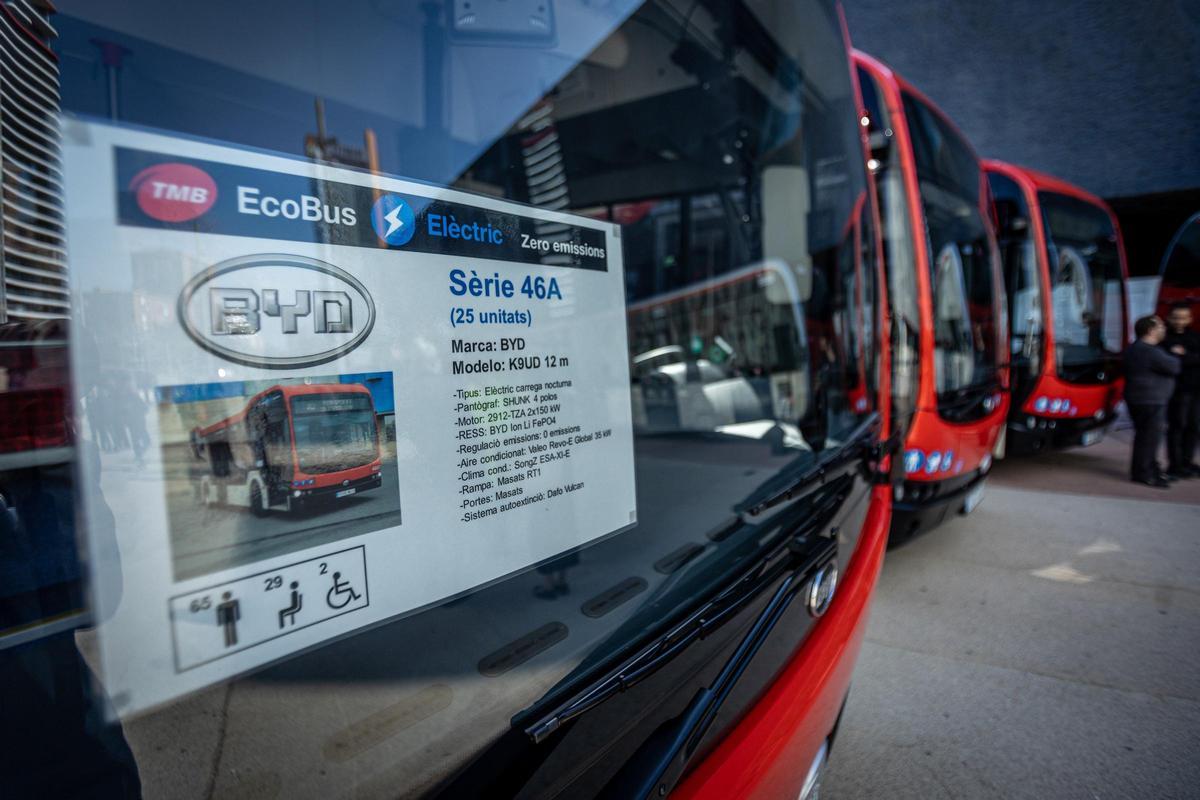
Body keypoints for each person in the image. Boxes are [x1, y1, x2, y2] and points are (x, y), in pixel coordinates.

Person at [1123, 315, 1180, 488]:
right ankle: (1144, 473)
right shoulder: (1149, 351)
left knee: (1145, 436)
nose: (1164, 329)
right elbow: (1174, 366)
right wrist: (1175, 354)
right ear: (1151, 330)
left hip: (1142, 399)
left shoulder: (1135, 348)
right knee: (1149, 438)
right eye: (1160, 326)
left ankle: (1149, 469)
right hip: (1150, 400)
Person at [1162, 302, 1200, 478]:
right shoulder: (1165, 338)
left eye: (1184, 318)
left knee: (1194, 427)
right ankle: (1175, 465)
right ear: (1169, 318)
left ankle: (1187, 461)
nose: (1180, 321)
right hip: (1177, 390)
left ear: (1190, 319)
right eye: (1176, 318)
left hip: (1196, 389)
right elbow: (1170, 362)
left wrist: (1184, 355)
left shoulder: (1195, 336)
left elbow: (1186, 359)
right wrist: (1190, 358)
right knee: (1177, 426)